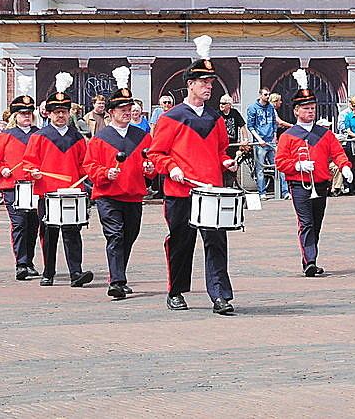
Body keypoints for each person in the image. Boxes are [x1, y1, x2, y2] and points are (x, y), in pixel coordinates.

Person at [148, 37, 240, 315]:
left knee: (216, 242)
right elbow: (156, 153)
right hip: (181, 192)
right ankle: (175, 291)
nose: (208, 88)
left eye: (211, 84)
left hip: (211, 191)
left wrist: (227, 162)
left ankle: (220, 295)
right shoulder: (171, 117)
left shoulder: (216, 118)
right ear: (190, 85)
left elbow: (221, 150)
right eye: (204, 83)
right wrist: (172, 168)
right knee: (180, 242)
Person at [82, 69, 154, 300]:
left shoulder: (142, 136)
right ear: (111, 112)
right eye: (121, 109)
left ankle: (119, 275)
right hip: (108, 195)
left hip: (133, 194)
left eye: (129, 108)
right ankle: (117, 281)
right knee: (115, 236)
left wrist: (150, 170)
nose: (127, 112)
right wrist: (105, 173)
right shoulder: (100, 138)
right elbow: (89, 166)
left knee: (130, 236)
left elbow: (150, 160)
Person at [274, 78, 354, 277]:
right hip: (299, 184)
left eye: (312, 108)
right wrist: (297, 165)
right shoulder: (288, 136)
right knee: (306, 223)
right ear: (296, 111)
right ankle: (310, 260)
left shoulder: (324, 134)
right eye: (306, 108)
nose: (310, 111)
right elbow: (280, 162)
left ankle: (310, 257)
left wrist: (345, 167)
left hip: (320, 183)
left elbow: (337, 152)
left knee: (316, 222)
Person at [23, 73, 94, 288]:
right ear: (49, 114)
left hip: (72, 191)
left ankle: (76, 273)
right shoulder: (39, 136)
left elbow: (86, 163)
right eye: (57, 112)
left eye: (64, 112)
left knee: (73, 234)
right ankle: (48, 272)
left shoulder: (77, 137)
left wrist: (88, 178)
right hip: (48, 192)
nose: (61, 115)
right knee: (49, 234)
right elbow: (28, 162)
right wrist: (32, 172)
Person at [0, 85, 40, 280]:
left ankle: (30, 261)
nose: (26, 116)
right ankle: (21, 263)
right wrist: (2, 169)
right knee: (19, 224)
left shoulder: (39, 134)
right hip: (13, 187)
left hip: (35, 186)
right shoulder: (6, 136)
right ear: (15, 116)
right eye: (22, 113)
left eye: (29, 113)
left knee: (33, 225)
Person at [247, 88, 280, 200]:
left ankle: (283, 191)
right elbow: (250, 126)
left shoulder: (270, 107)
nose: (267, 96)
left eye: (268, 94)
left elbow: (274, 123)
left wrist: (275, 136)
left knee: (278, 166)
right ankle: (262, 192)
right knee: (260, 168)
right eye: (266, 94)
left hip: (271, 140)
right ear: (260, 95)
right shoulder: (253, 108)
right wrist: (258, 139)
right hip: (260, 141)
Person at [218, 95, 247, 188]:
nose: (221, 105)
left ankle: (230, 186)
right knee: (222, 168)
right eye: (220, 103)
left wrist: (245, 139)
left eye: (223, 103)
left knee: (232, 167)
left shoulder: (235, 113)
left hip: (233, 145)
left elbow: (242, 126)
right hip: (222, 146)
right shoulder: (217, 114)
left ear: (229, 105)